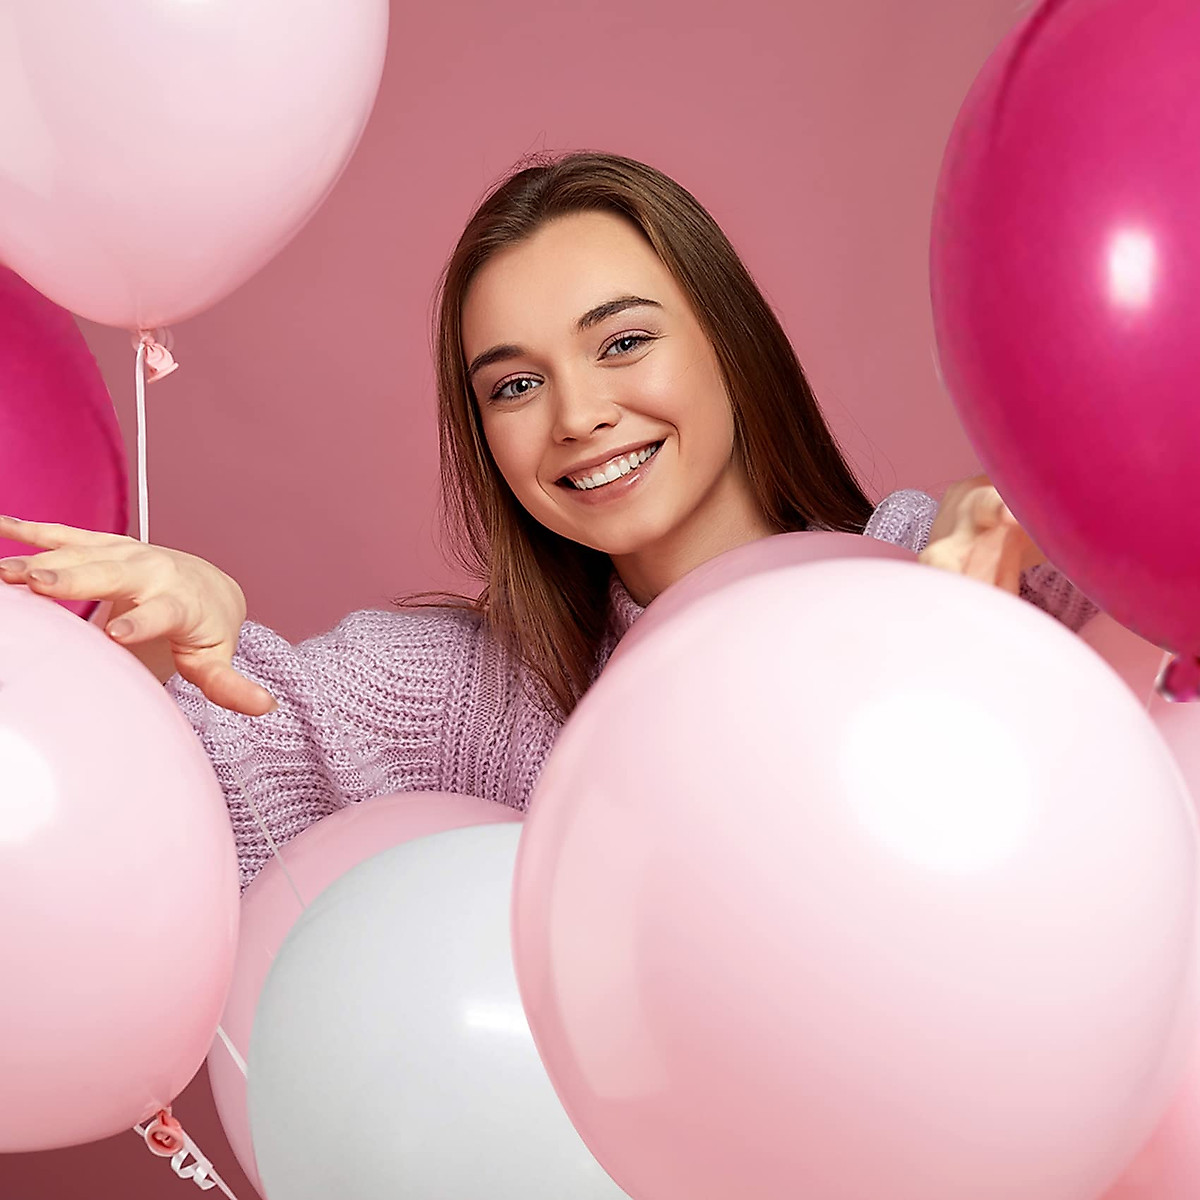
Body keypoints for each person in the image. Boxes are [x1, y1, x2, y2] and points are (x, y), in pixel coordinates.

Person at [0, 152, 1096, 889]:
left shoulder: (935, 565)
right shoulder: (478, 687)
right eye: (514, 386)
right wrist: (156, 660)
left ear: (729, 338)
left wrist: (987, 626)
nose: (579, 416)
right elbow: (164, 836)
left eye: (623, 342)